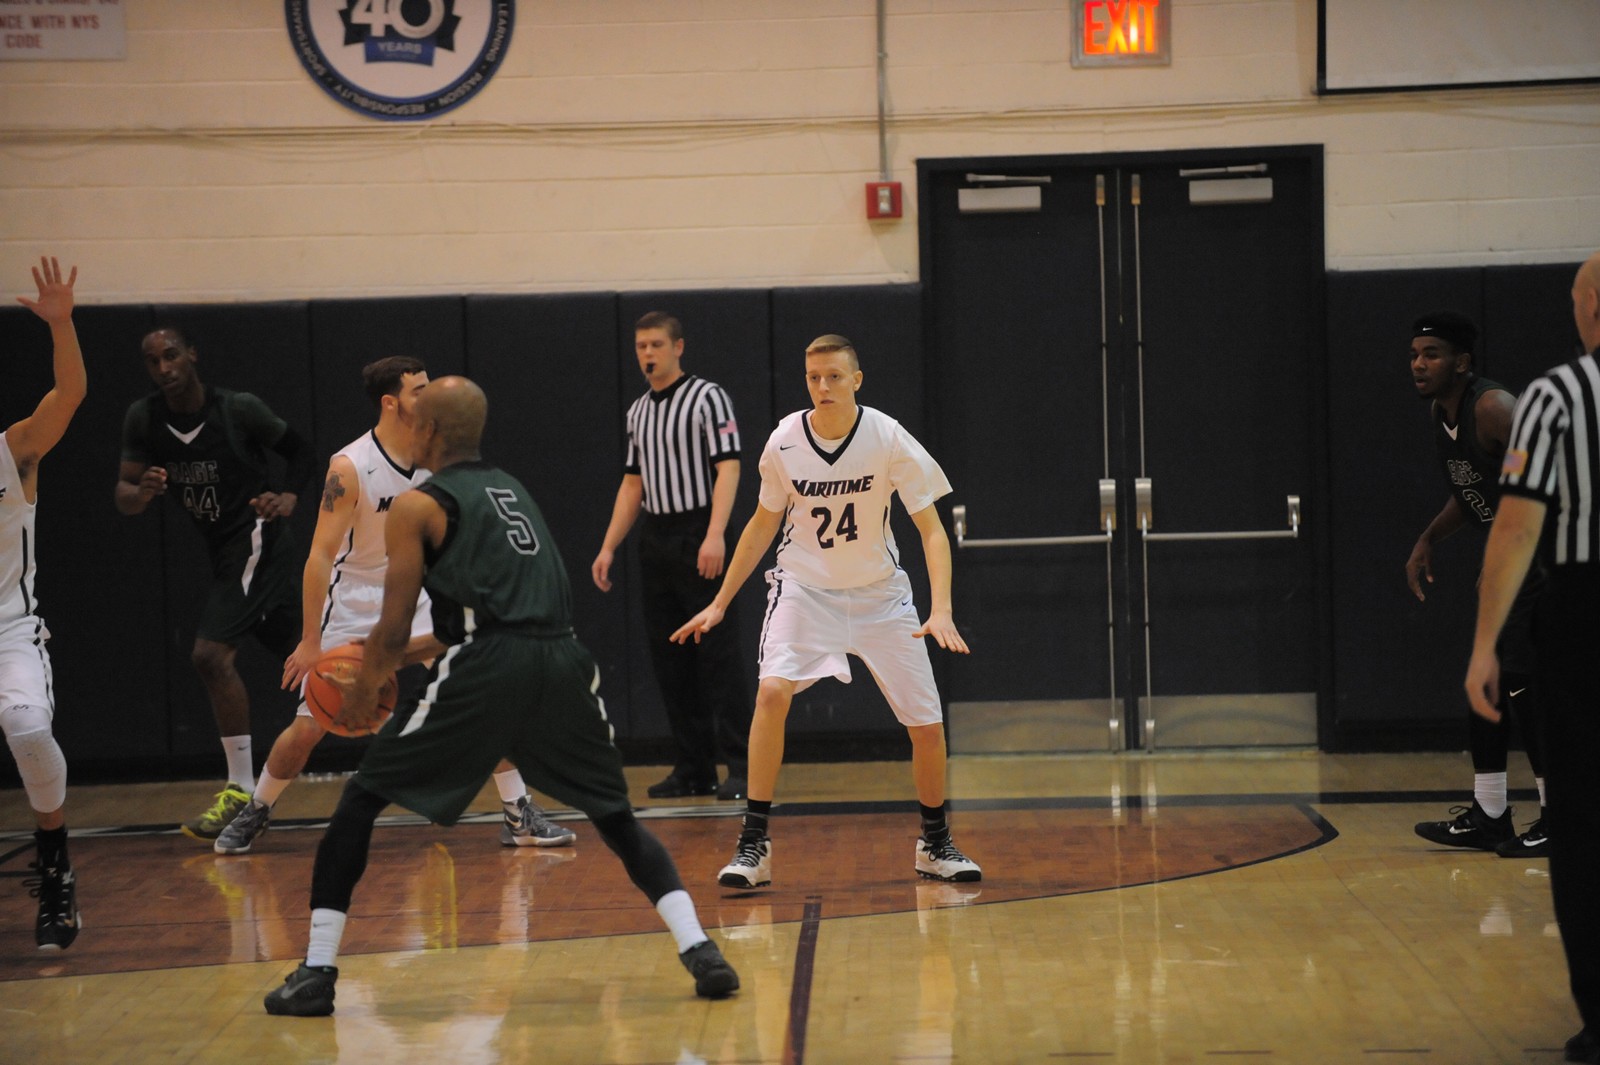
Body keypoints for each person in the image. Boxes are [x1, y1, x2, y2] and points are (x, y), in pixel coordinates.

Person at [262, 376, 738, 1016]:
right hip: (565, 661)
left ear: (429, 432)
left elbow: (397, 626)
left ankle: (316, 971)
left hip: (488, 665)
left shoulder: (415, 506)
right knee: (616, 819)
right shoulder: (514, 490)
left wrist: (363, 682)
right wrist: (385, 661)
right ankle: (701, 949)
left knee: (358, 804)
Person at [213, 357, 572, 855]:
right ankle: (258, 807)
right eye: (418, 390)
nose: (429, 397)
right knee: (310, 725)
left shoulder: (438, 458)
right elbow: (318, 555)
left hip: (420, 594)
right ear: (391, 402)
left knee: (483, 697)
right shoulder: (350, 467)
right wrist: (312, 640)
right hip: (354, 599)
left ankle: (519, 815)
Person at [672, 334, 981, 888]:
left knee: (928, 726)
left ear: (856, 380)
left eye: (834, 376)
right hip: (804, 591)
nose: (823, 387)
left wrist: (941, 610)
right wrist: (720, 603)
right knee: (771, 693)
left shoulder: (887, 436)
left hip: (880, 595)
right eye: (814, 378)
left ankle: (935, 844)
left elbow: (932, 531)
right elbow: (763, 524)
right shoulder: (784, 440)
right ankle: (753, 845)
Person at [1465, 250, 1600, 1065]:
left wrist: (1486, 642)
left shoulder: (1560, 395)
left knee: (1584, 817)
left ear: (1592, 308)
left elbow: (1516, 526)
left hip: (1587, 611)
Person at [115, 326, 314, 840]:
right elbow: (123, 495)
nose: (164, 367)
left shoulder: (238, 408)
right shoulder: (145, 417)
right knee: (321, 666)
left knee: (209, 655)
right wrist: (142, 491)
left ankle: (239, 792)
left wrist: (288, 497)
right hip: (223, 550)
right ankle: (411, 754)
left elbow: (303, 454)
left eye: (172, 355)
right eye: (153, 360)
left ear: (192, 355)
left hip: (257, 541)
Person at [592, 312, 752, 800]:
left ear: (678, 347)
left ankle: (743, 768)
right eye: (641, 346)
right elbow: (632, 484)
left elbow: (729, 468)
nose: (647, 353)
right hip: (656, 538)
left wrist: (716, 534)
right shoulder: (638, 411)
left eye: (656, 344)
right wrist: (608, 546)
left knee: (718, 658)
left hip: (699, 530)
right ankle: (693, 767)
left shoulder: (708, 397)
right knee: (670, 661)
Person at [1405, 311, 1548, 856]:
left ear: (1462, 363)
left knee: (1527, 687)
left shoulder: (1493, 408)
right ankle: (1490, 814)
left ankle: (1563, 817)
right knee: (1488, 680)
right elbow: (1473, 491)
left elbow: (1546, 476)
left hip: (1545, 557)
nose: (1419, 363)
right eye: (1415, 354)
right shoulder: (1445, 415)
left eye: (1432, 354)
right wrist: (1428, 539)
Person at [4, 257, 86, 949]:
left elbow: (70, 391)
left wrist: (61, 324)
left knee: (28, 729)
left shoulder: (14, 452)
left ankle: (55, 859)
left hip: (9, 630)